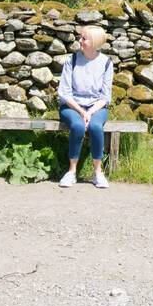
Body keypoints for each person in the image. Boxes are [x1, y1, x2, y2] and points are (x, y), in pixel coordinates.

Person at [56, 25, 114, 189]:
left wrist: (90, 112)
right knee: (78, 125)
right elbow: (64, 93)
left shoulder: (106, 63)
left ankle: (97, 173)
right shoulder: (71, 60)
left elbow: (105, 96)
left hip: (96, 107)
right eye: (81, 37)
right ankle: (71, 172)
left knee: (96, 126)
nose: (80, 41)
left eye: (84, 38)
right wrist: (82, 112)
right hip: (72, 106)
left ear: (94, 42)